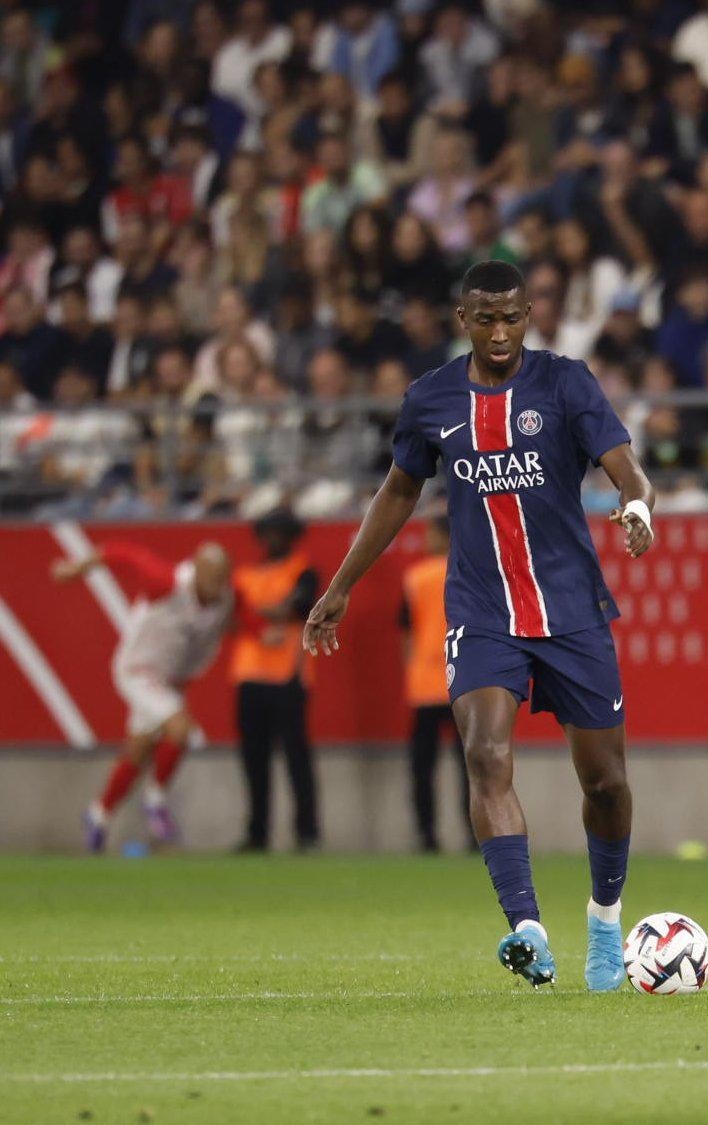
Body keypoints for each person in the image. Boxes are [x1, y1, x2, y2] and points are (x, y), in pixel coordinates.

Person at [303, 260, 656, 991]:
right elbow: (398, 490)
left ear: (530, 313)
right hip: (482, 610)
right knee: (485, 755)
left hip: (569, 611)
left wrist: (638, 505)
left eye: (512, 317)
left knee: (605, 782)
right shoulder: (431, 399)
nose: (500, 333)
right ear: (461, 319)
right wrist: (340, 584)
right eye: (485, 318)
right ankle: (526, 929)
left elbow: (626, 468)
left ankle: (603, 919)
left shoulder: (564, 383)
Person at [52, 541, 237, 850]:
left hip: (165, 678)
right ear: (196, 574)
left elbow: (205, 640)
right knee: (180, 730)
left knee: (137, 750)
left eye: (222, 579)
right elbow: (124, 553)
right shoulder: (166, 581)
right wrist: (76, 568)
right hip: (137, 670)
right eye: (211, 578)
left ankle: (98, 815)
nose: (217, 587)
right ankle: (155, 800)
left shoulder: (225, 600)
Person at [231, 507, 320, 852]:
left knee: (297, 756)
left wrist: (257, 613)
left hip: (288, 674)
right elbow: (231, 618)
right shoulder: (245, 575)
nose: (272, 539)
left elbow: (295, 606)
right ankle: (257, 833)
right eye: (268, 532)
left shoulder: (303, 571)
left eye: (279, 532)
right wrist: (263, 615)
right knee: (254, 759)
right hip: (249, 674)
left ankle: (307, 832)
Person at [401, 513, 473, 854]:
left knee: (423, 769)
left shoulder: (415, 577)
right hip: (465, 683)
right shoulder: (469, 571)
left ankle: (426, 836)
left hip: (425, 685)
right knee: (474, 768)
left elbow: (406, 632)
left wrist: (413, 666)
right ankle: (476, 838)